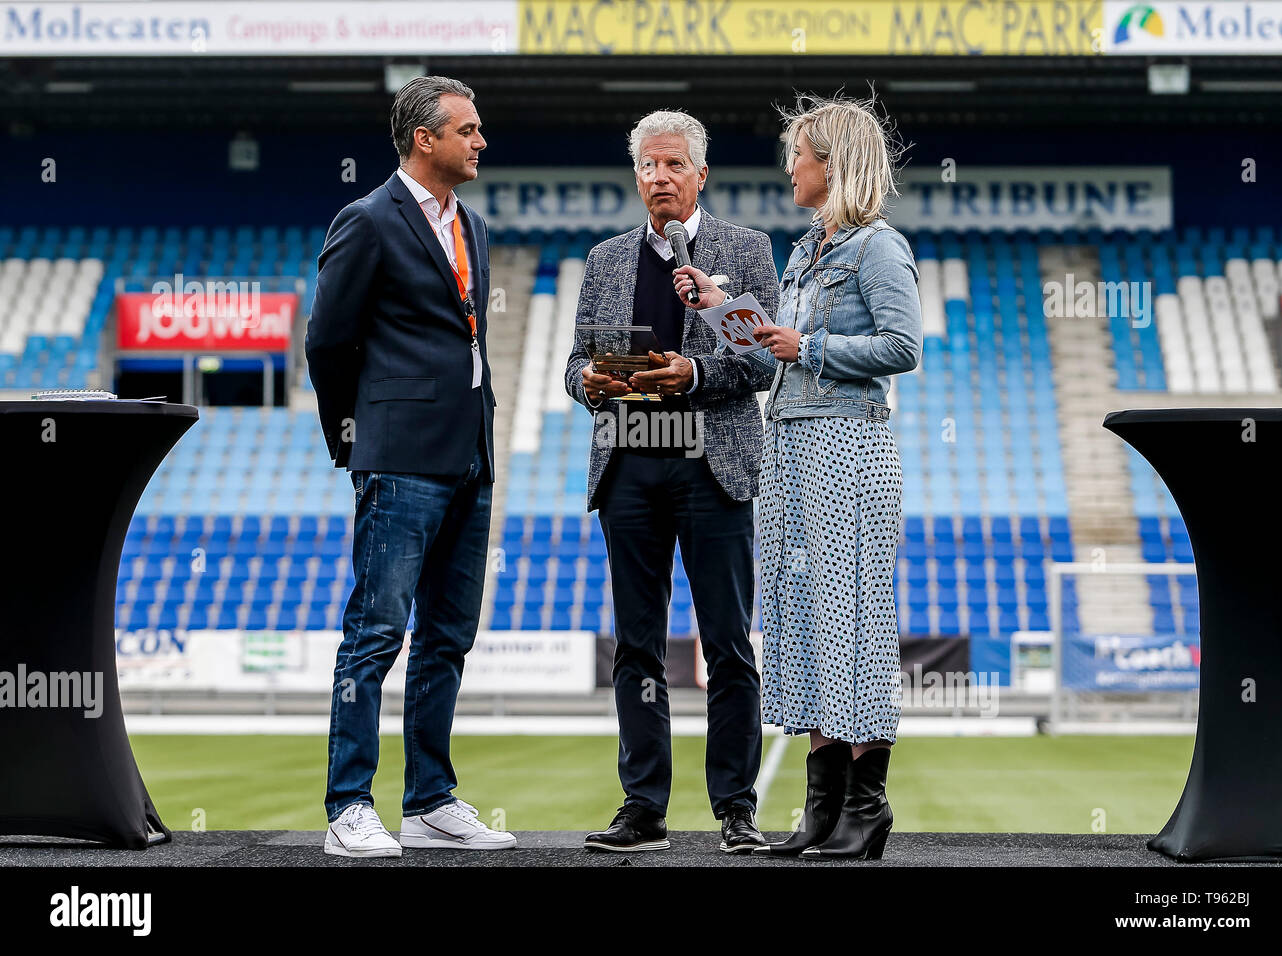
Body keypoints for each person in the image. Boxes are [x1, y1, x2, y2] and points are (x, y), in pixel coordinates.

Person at [671, 92, 922, 860]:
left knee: (855, 619)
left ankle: (866, 805)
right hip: (792, 442)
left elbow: (902, 346)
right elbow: (765, 354)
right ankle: (823, 808)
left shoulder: (878, 248)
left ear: (833, 165)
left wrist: (806, 347)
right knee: (807, 616)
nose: (790, 167)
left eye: (800, 155)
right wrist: (721, 307)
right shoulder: (808, 249)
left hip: (848, 444)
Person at [306, 75, 515, 857]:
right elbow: (328, 341)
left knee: (448, 635)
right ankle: (348, 805)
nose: (481, 141)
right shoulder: (366, 220)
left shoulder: (476, 226)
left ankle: (430, 800)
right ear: (424, 139)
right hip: (398, 457)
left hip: (471, 453)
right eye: (468, 129)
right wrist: (354, 435)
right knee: (376, 632)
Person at [563, 110, 780, 853]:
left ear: (700, 175)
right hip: (629, 464)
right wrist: (588, 381)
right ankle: (643, 807)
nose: (660, 178)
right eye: (649, 167)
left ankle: (736, 808)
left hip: (711, 466)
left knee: (727, 643)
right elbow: (572, 367)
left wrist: (693, 370)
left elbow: (761, 364)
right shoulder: (605, 258)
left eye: (673, 166)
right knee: (638, 646)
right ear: (637, 177)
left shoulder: (745, 251)